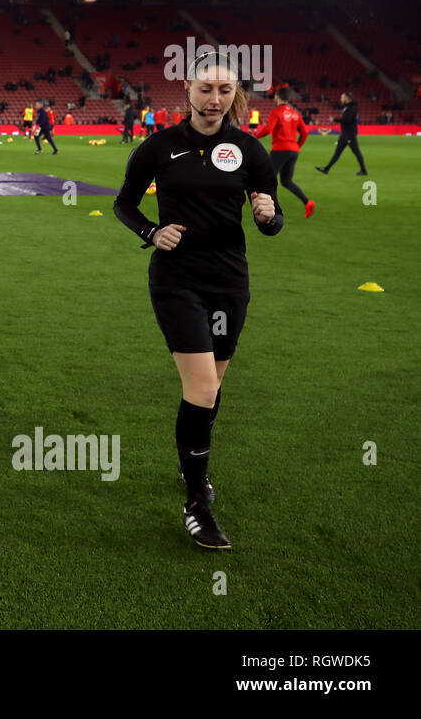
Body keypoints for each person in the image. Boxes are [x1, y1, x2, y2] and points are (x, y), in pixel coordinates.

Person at [113, 51, 283, 550]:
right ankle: (196, 501)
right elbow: (124, 202)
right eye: (206, 89)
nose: (214, 100)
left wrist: (268, 214)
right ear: (187, 87)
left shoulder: (250, 151)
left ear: (235, 95)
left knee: (212, 389)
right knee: (203, 387)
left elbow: (272, 223)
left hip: (229, 281)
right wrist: (152, 230)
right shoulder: (160, 147)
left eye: (224, 91)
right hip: (176, 280)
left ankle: (195, 463)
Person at [255, 87, 314, 217]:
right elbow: (305, 132)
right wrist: (297, 145)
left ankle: (274, 210)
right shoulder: (296, 114)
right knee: (286, 181)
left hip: (280, 149)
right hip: (293, 150)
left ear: (278, 97)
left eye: (275, 96)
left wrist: (255, 137)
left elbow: (268, 129)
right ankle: (307, 202)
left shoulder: (276, 112)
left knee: (269, 179)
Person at [315, 91, 367, 176]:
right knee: (337, 152)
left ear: (347, 98)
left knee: (356, 152)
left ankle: (364, 170)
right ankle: (326, 169)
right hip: (344, 134)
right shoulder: (347, 107)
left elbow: (348, 119)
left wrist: (335, 120)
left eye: (342, 97)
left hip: (350, 134)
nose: (341, 99)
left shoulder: (352, 108)